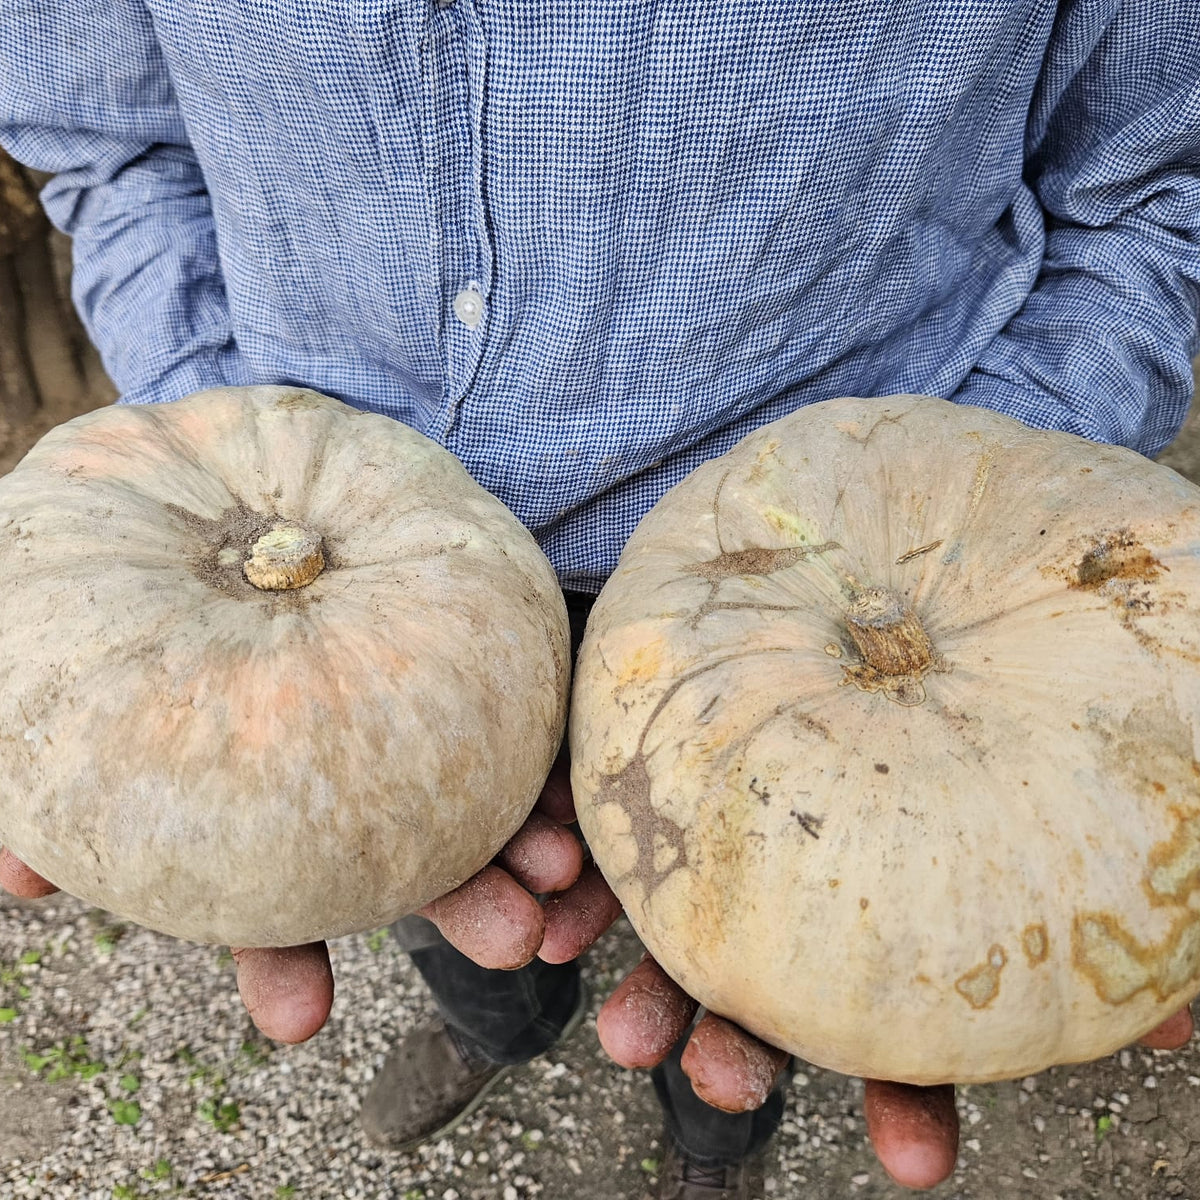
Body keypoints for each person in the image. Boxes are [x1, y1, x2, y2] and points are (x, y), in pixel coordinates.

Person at [2, 1, 1199, 1195]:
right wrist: (225, 455)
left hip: (828, 580)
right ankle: (500, 1027)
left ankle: (714, 1135)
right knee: (434, 889)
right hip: (357, 626)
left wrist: (977, 541)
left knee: (773, 951)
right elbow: (112, 147)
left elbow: (1146, 203)